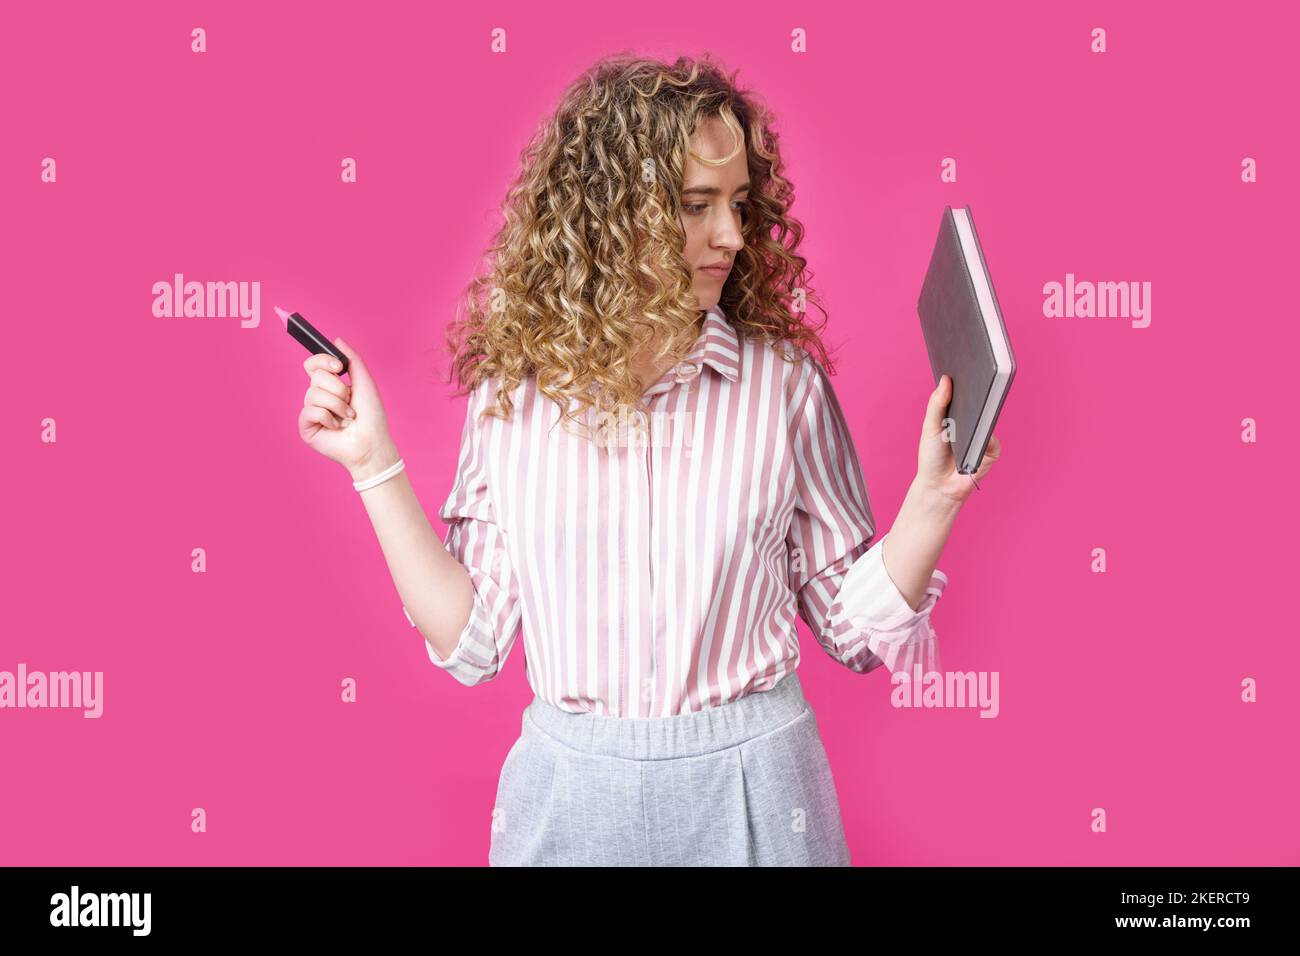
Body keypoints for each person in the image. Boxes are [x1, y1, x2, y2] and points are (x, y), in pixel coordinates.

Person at [294, 52, 1001, 866]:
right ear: (610, 215)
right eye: (697, 206)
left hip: (757, 788)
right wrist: (374, 465)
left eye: (739, 203)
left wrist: (934, 498)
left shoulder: (783, 387)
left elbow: (853, 633)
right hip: (569, 797)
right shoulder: (515, 398)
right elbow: (473, 639)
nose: (732, 235)